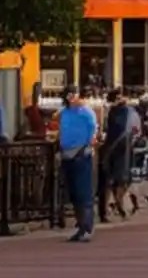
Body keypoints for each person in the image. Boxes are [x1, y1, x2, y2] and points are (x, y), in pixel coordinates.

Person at [58, 86, 98, 243]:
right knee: (74, 193)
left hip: (81, 154)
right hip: (67, 154)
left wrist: (86, 147)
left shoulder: (86, 112)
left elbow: (93, 131)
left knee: (83, 192)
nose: (71, 99)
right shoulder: (65, 113)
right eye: (68, 96)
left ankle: (86, 227)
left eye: (73, 95)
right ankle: (81, 225)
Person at [99, 89, 135, 221]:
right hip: (120, 148)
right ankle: (117, 208)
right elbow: (126, 130)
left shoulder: (117, 111)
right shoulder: (124, 111)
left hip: (114, 148)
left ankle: (110, 210)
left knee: (111, 180)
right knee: (118, 180)